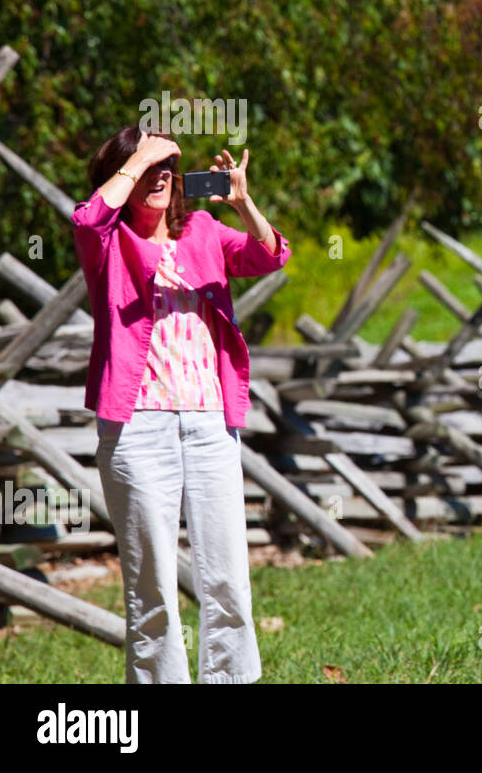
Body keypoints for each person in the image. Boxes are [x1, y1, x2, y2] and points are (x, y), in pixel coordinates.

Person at [71, 127, 291, 683]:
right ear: (125, 173)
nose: (162, 175)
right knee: (153, 591)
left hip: (210, 423)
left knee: (229, 581)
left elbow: (269, 256)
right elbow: (87, 218)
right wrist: (142, 153)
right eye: (149, 166)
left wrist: (244, 204)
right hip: (138, 430)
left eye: (170, 166)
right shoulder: (108, 242)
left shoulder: (202, 231)